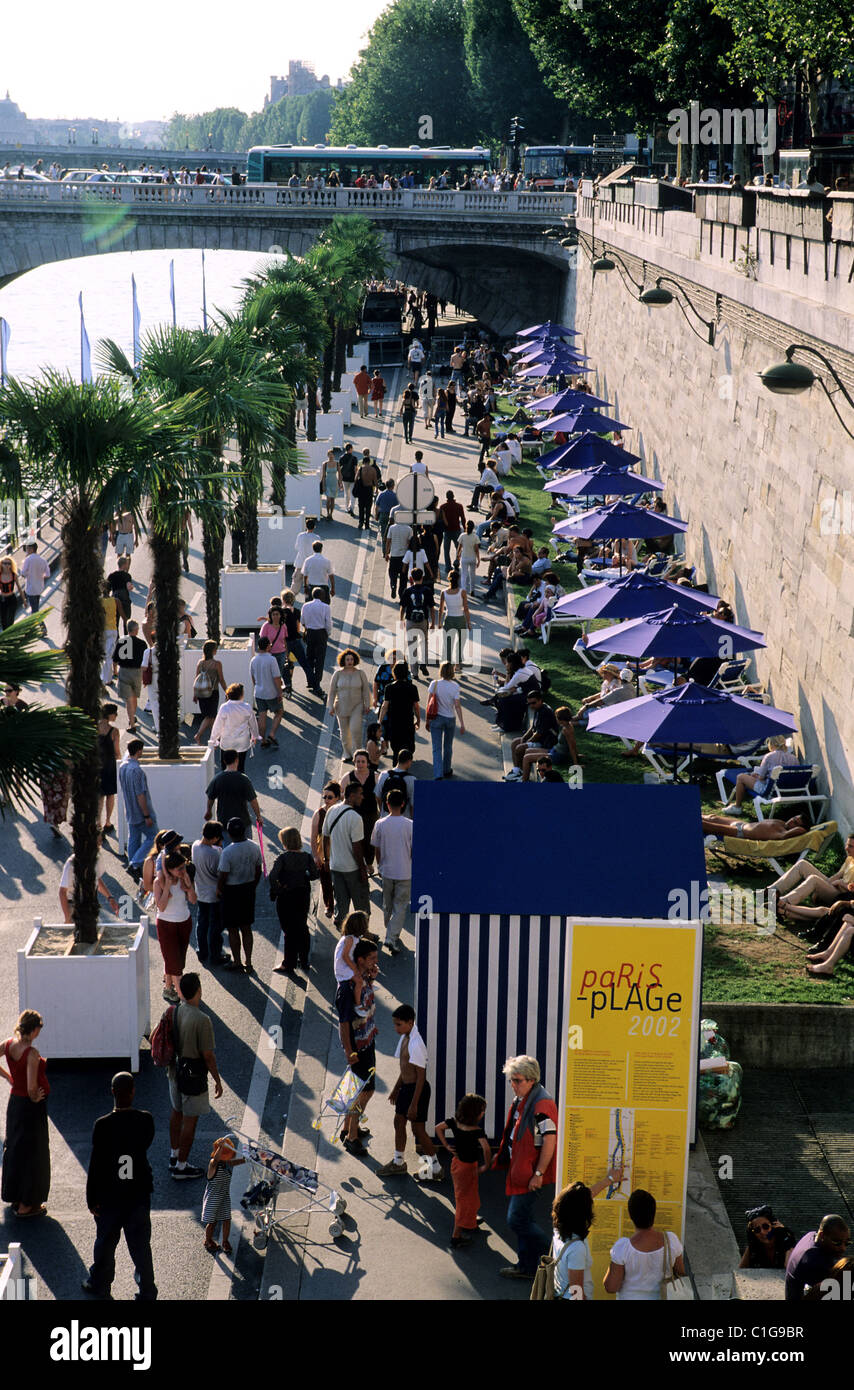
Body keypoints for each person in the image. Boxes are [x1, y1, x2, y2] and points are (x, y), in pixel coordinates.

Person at [81, 1072, 156, 1300]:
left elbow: (95, 1166)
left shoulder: (102, 1125)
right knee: (141, 1247)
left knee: (104, 1243)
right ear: (133, 1092)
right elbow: (146, 1142)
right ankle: (147, 1290)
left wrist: (91, 1198)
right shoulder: (145, 1120)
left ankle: (99, 1283)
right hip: (137, 1194)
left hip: (110, 1196)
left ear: (112, 1092)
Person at [493, 1054, 558, 1279]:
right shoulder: (525, 1099)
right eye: (511, 1080)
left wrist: (538, 1173)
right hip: (521, 1171)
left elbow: (550, 1139)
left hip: (531, 1174)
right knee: (524, 1219)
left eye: (517, 1080)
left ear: (531, 1080)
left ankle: (552, 1255)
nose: (513, 1085)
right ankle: (526, 1266)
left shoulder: (542, 1104)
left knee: (517, 1219)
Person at [167, 973, 223, 1180]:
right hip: (193, 1074)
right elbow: (208, 1055)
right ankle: (182, 1166)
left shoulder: (177, 1010)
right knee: (190, 1122)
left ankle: (173, 1155)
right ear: (198, 989)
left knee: (176, 1112)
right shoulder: (202, 1019)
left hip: (176, 1068)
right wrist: (217, 1080)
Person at [378, 1005, 442, 1180]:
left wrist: (414, 1104)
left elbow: (421, 1076)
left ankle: (435, 1168)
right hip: (407, 1089)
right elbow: (405, 1069)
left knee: (418, 1130)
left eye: (398, 1024)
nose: (395, 1028)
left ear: (410, 1022)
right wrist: (396, 1089)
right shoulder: (406, 1037)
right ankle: (398, 1163)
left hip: (417, 1091)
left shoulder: (416, 1044)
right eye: (395, 1024)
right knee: (399, 1122)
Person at [0, 1009, 50, 1216]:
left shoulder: (9, 1044)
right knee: (34, 1153)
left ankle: (16, 1196)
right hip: (30, 1108)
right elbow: (31, 1088)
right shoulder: (31, 1054)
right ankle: (28, 1204)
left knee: (15, 1148)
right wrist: (37, 1097)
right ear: (34, 1028)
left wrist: (8, 1077)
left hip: (15, 1104)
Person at [335, 939, 380, 1155]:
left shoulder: (362, 978)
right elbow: (343, 1023)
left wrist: (370, 976)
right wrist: (348, 1050)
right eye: (372, 958)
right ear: (359, 959)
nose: (375, 962)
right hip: (358, 1048)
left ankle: (347, 1129)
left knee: (356, 1089)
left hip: (367, 1041)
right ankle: (352, 1137)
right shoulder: (347, 988)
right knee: (365, 1091)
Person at [604, 1187, 686, 1299]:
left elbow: (611, 1287)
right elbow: (681, 1272)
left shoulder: (622, 1247)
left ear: (630, 1215)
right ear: (654, 1213)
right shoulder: (671, 1240)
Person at [435, 1094, 491, 1247]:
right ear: (476, 1113)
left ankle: (471, 1220)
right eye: (482, 1111)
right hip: (468, 1168)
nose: (483, 1113)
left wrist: (446, 1145)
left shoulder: (454, 1123)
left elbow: (438, 1128)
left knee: (469, 1194)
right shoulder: (477, 1131)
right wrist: (486, 1165)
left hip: (457, 1164)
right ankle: (456, 1236)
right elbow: (486, 1149)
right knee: (464, 1199)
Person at [771, 831, 854, 925]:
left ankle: (783, 902)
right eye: (847, 844)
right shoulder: (850, 859)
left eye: (851, 846)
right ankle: (771, 890)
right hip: (834, 887)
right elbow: (837, 875)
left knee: (814, 879)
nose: (846, 848)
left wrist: (839, 883)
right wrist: (826, 884)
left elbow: (851, 892)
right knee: (803, 864)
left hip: (841, 896)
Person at [269, 826, 318, 975]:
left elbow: (272, 877)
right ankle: (304, 959)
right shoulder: (307, 857)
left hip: (287, 895)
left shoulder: (283, 858)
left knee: (289, 929)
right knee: (302, 926)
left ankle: (288, 963)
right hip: (302, 893)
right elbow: (315, 874)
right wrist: (304, 878)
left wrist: (278, 888)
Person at [217, 818, 263, 974]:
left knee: (232, 929)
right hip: (248, 889)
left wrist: (219, 890)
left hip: (231, 891)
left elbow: (223, 875)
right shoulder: (254, 847)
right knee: (246, 927)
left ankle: (237, 961)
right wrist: (253, 886)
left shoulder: (227, 852)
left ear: (229, 834)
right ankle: (248, 962)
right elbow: (258, 870)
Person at [323, 781, 371, 926]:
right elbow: (357, 848)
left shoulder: (331, 810)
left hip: (335, 866)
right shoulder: (355, 818)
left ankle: (344, 934)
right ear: (351, 796)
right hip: (352, 869)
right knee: (361, 904)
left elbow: (325, 837)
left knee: (341, 903)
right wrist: (363, 871)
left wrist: (327, 859)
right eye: (360, 794)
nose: (362, 797)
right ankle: (363, 933)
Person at [371, 789, 412, 955]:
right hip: (405, 871)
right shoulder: (410, 825)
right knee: (400, 906)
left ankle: (391, 931)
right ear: (403, 804)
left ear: (387, 804)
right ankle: (392, 936)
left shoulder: (380, 824)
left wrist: (379, 865)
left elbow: (377, 848)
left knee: (387, 904)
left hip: (386, 870)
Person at [153, 850, 197, 1003]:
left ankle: (168, 988)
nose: (183, 871)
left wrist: (189, 886)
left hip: (184, 922)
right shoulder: (159, 883)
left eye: (184, 867)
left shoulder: (184, 878)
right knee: (175, 964)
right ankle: (183, 999)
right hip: (166, 925)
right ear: (169, 870)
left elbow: (193, 900)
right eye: (179, 869)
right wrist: (167, 888)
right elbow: (162, 906)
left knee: (177, 959)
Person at [720, 735, 799, 813]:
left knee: (741, 777)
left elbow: (761, 778)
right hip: (789, 791)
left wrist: (756, 776)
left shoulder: (769, 756)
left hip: (771, 792)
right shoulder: (794, 758)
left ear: (771, 744)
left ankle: (737, 807)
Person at [785, 1215, 850, 1299]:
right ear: (822, 1235)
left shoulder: (811, 1236)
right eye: (837, 1242)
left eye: (847, 1243)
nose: (843, 1248)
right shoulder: (814, 1261)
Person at [191, 821, 228, 966]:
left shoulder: (194, 846)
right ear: (215, 838)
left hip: (200, 892)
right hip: (214, 894)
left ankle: (202, 950)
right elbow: (220, 873)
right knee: (215, 926)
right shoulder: (215, 853)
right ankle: (215, 954)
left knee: (202, 923)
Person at [119, 739, 157, 878]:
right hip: (140, 812)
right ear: (139, 750)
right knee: (154, 837)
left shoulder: (123, 767)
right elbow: (140, 795)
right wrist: (147, 815)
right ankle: (135, 863)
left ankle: (133, 864)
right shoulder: (137, 771)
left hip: (129, 810)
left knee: (133, 837)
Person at [202, 1136, 245, 1255]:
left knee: (227, 1219)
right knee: (212, 1221)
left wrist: (247, 1159)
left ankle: (225, 1241)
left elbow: (235, 1162)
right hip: (213, 1197)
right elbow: (215, 1160)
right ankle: (208, 1240)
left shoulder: (226, 1164)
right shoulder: (213, 1164)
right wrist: (221, 1147)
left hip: (224, 1196)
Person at [327, 649, 372, 763]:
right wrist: (330, 706)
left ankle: (357, 754)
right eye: (347, 659)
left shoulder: (360, 673)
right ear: (343, 660)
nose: (350, 661)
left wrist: (367, 704)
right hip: (341, 706)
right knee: (344, 732)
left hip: (357, 706)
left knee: (355, 729)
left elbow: (366, 690)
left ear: (355, 660)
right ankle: (347, 753)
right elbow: (332, 691)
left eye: (351, 659)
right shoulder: (337, 674)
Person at [204, 748, 261, 837]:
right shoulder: (243, 779)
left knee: (227, 848)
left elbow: (210, 798)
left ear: (224, 761)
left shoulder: (218, 779)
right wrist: (258, 816)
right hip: (243, 821)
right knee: (246, 847)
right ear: (237, 760)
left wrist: (209, 811)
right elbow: (253, 800)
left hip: (224, 822)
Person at [505, 692, 560, 781]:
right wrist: (524, 738)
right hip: (539, 739)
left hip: (546, 742)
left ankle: (521, 773)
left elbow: (538, 734)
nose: (531, 706)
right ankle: (517, 770)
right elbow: (533, 727)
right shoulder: (538, 709)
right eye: (529, 703)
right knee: (515, 742)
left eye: (533, 703)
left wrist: (527, 742)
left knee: (520, 748)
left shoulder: (545, 712)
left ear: (540, 701)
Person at [426, 661, 465, 781]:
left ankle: (438, 773)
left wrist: (427, 720)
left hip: (436, 718)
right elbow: (457, 706)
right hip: (450, 719)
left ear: (441, 671)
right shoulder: (455, 686)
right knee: (448, 746)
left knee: (436, 748)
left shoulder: (435, 683)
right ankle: (447, 770)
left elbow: (429, 704)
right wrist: (462, 723)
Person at [208, 683, 259, 772]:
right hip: (242, 742)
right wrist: (254, 736)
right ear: (241, 695)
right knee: (240, 767)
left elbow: (218, 726)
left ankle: (226, 783)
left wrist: (214, 740)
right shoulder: (247, 707)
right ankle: (239, 783)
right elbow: (253, 724)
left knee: (225, 767)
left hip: (227, 742)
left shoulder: (224, 707)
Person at [379, 660, 421, 760]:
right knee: (409, 745)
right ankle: (406, 763)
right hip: (408, 721)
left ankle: (396, 763)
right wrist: (418, 719)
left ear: (394, 672)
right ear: (407, 673)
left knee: (396, 746)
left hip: (394, 721)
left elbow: (385, 706)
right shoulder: (412, 688)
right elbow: (416, 706)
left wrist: (380, 721)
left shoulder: (389, 688)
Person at [739, 1204, 798, 1270]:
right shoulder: (753, 1246)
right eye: (757, 1230)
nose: (762, 1232)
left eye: (765, 1226)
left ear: (773, 1225)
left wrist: (787, 1238)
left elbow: (790, 1269)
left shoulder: (785, 1242)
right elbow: (741, 1271)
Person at [400, 566, 435, 677]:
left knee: (412, 646)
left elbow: (403, 607)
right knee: (424, 642)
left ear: (411, 578)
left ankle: (414, 673)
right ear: (422, 577)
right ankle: (423, 663)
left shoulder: (407, 591)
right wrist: (433, 622)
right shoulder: (427, 591)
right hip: (423, 620)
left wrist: (401, 620)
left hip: (410, 620)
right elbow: (432, 608)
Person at [250, 635, 284, 748]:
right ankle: (272, 734)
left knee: (262, 716)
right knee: (279, 712)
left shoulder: (253, 660)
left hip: (259, 693)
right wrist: (280, 692)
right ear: (268, 646)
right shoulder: (271, 660)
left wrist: (257, 687)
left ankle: (263, 740)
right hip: (271, 692)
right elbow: (277, 678)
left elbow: (253, 678)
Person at [192, 639, 226, 744]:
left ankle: (214, 738)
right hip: (213, 692)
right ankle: (198, 735)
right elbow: (221, 679)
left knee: (211, 715)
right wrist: (227, 691)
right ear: (213, 651)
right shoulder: (217, 664)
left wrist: (195, 694)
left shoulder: (200, 663)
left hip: (201, 693)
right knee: (210, 716)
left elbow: (196, 679)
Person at [115, 622, 148, 732]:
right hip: (137, 672)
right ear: (136, 630)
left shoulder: (121, 641)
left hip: (124, 671)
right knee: (133, 697)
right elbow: (145, 660)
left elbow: (115, 659)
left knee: (128, 699)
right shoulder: (142, 644)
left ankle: (132, 724)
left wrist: (114, 671)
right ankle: (132, 718)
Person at [301, 587, 332, 696]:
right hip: (321, 633)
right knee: (320, 659)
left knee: (309, 656)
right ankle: (317, 682)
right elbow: (328, 623)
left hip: (310, 633)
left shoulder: (305, 606)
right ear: (322, 596)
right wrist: (327, 633)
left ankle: (310, 680)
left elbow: (302, 621)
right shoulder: (326, 607)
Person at [437, 570, 471, 668]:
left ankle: (448, 665)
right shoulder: (462, 592)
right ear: (458, 579)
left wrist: (439, 622)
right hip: (460, 619)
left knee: (448, 643)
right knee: (461, 642)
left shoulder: (443, 592)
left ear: (449, 579)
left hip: (448, 619)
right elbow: (466, 609)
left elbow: (441, 609)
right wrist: (468, 623)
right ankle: (458, 664)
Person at [97, 702, 121, 833]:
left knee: (99, 795)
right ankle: (107, 821)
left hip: (96, 764)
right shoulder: (114, 731)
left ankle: (98, 822)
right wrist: (121, 762)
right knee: (110, 795)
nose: (116, 716)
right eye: (115, 713)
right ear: (110, 714)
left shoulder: (94, 727)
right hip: (109, 765)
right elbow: (117, 751)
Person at [376, 748, 417, 818]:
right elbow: (413, 804)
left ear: (398, 759)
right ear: (409, 762)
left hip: (385, 817)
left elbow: (378, 796)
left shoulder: (383, 775)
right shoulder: (412, 779)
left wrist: (382, 810)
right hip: (404, 818)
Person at [385, 513, 414, 601]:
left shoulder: (392, 528)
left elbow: (388, 541)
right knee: (403, 577)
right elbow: (410, 543)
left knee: (392, 573)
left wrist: (387, 553)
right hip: (404, 557)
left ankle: (393, 585)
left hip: (394, 555)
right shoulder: (409, 529)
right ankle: (402, 595)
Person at [20, 542, 50, 613]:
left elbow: (23, 573)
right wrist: (40, 575)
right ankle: (39, 623)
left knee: (34, 610)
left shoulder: (28, 559)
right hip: (39, 587)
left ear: (31, 549)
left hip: (30, 588)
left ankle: (40, 623)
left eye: (27, 548)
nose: (26, 550)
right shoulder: (43, 560)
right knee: (36, 607)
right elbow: (47, 574)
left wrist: (29, 574)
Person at [354, 450, 381, 530]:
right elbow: (375, 480)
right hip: (369, 489)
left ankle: (360, 522)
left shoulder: (361, 469)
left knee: (361, 507)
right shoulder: (373, 470)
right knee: (368, 507)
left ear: (363, 462)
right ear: (369, 462)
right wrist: (376, 489)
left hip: (362, 489)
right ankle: (367, 524)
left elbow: (355, 479)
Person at [292, 515, 319, 589]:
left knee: (295, 584)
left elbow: (296, 547)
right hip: (311, 565)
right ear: (314, 527)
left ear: (306, 526)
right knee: (310, 586)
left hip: (300, 562)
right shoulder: (316, 537)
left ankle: (290, 599)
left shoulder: (300, 536)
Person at [0, 555, 25, 630]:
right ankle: (6, 638)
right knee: (3, 621)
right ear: (1, 564)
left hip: (12, 599)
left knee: (10, 620)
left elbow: (19, 588)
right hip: (2, 599)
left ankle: (11, 636)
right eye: (5, 563)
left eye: (9, 563)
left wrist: (24, 600)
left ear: (11, 565)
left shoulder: (14, 575)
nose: (7, 565)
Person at [323, 449, 341, 519]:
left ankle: (331, 514)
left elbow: (339, 473)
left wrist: (340, 483)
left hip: (334, 482)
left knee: (333, 499)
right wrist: (323, 485)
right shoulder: (325, 464)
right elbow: (324, 476)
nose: (331, 456)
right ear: (327, 455)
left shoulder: (337, 463)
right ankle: (327, 513)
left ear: (334, 455)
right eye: (329, 454)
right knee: (328, 499)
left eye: (332, 454)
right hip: (328, 482)